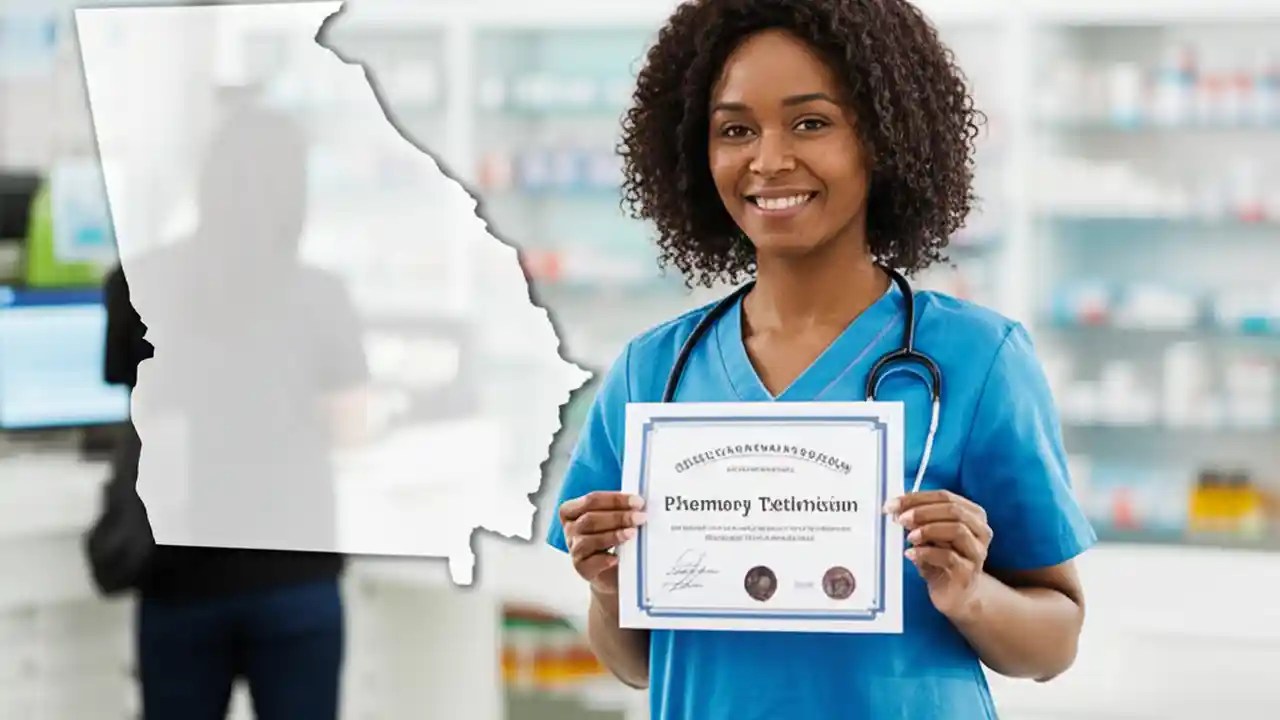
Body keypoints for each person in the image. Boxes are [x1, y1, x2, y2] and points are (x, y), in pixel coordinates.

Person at [547, 1, 1098, 718]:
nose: (769, 160)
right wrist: (611, 588)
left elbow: (1054, 642)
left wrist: (970, 594)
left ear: (882, 136)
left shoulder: (976, 360)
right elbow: (633, 666)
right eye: (736, 129)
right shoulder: (653, 372)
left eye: (811, 122)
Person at [101, 98, 368, 720]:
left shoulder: (135, 282)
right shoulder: (321, 296)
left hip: (177, 575)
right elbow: (350, 430)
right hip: (296, 576)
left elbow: (138, 416)